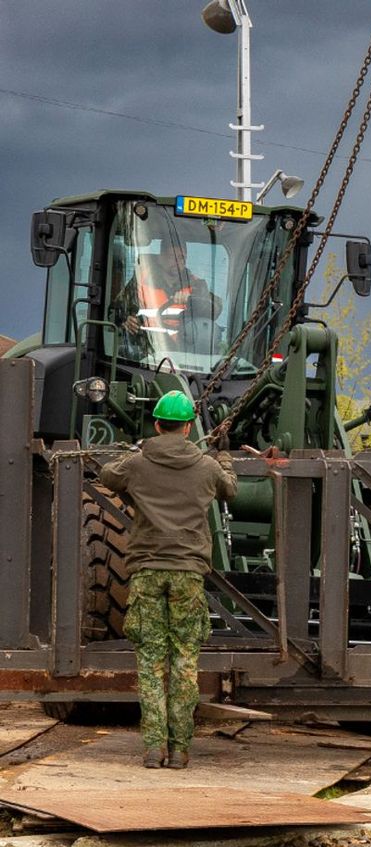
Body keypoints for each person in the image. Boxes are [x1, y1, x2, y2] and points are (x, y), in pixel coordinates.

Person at [100, 390, 237, 768]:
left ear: (157, 424)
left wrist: (135, 452)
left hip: (146, 571)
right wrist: (224, 455)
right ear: (189, 427)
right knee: (185, 660)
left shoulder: (139, 463)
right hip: (188, 574)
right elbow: (231, 489)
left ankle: (152, 748)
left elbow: (108, 475)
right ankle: (179, 751)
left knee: (149, 660)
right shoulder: (207, 466)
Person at [116, 241, 221, 349]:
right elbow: (115, 311)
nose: (178, 262)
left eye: (181, 258)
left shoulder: (196, 285)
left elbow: (215, 309)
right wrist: (125, 319)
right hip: (146, 352)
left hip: (186, 352)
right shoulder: (141, 282)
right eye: (172, 257)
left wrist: (192, 300)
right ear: (161, 257)